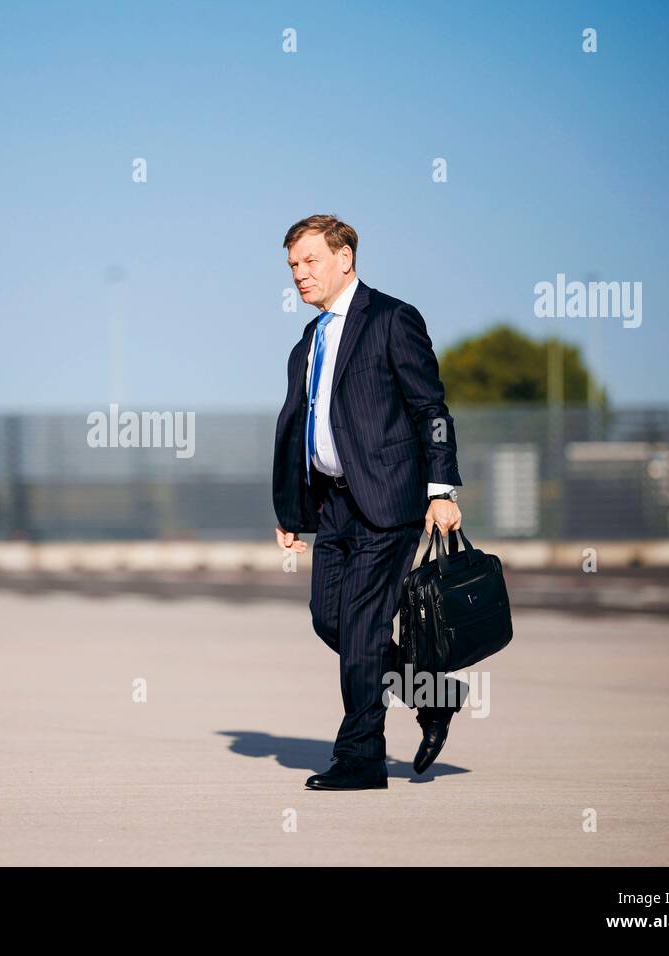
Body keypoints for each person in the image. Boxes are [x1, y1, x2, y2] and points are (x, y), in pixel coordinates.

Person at [272, 214, 470, 791]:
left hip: (389, 502)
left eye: (310, 261)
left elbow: (430, 409)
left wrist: (441, 490)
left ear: (345, 258)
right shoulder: (307, 341)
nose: (300, 275)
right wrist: (291, 511)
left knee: (361, 626)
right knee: (330, 619)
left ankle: (360, 757)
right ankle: (432, 697)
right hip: (333, 505)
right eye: (292, 267)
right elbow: (300, 429)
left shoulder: (391, 319)